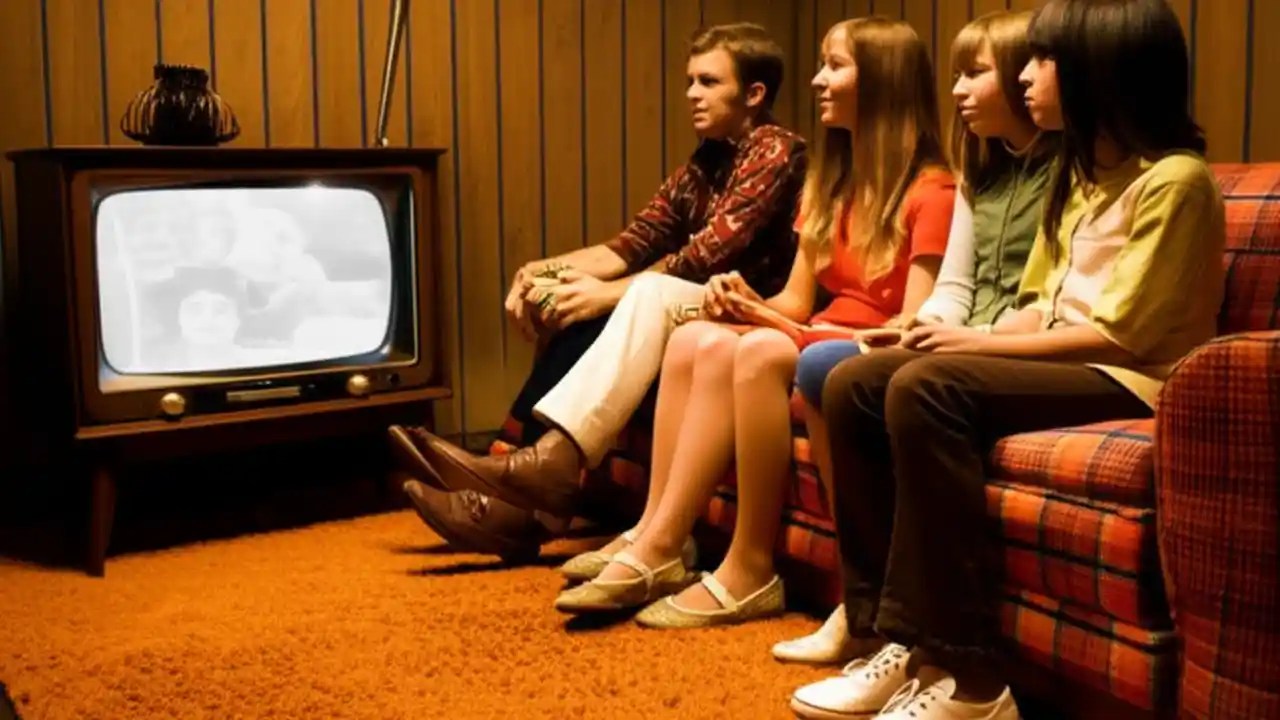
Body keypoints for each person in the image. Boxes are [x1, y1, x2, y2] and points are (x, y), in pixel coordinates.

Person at [789, 1, 1225, 718]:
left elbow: (1119, 336)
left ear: (1100, 72)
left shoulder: (1175, 179)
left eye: (1045, 60)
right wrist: (937, 332)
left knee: (929, 388)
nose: (1028, 75)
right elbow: (1039, 303)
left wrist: (973, 345)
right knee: (858, 381)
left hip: (1136, 378)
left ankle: (971, 678)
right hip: (1067, 360)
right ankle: (881, 635)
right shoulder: (1082, 177)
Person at [545, 15, 954, 623]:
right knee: (694, 339)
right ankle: (657, 536)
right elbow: (794, 302)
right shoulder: (833, 184)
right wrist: (745, 303)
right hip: (816, 329)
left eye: (835, 65)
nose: (816, 79)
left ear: (883, 82)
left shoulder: (934, 191)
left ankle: (751, 565)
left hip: (866, 345)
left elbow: (906, 327)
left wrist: (783, 329)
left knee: (757, 352)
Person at [388, 23, 808, 561]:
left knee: (601, 307)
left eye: (707, 82)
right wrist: (545, 271)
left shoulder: (776, 151)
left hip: (743, 307)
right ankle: (522, 495)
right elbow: (633, 243)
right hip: (690, 303)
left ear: (753, 94)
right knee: (579, 312)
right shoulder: (705, 162)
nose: (691, 95)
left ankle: (520, 492)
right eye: (689, 81)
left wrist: (603, 295)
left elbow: (703, 258)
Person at [774, 9, 1057, 667]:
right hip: (961, 335)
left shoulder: (1052, 175)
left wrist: (944, 333)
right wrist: (929, 323)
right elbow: (953, 288)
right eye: (954, 74)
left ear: (1020, 81)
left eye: (974, 73)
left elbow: (1042, 300)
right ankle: (865, 607)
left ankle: (890, 619)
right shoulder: (983, 174)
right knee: (832, 371)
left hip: (1002, 346)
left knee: (831, 367)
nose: (956, 91)